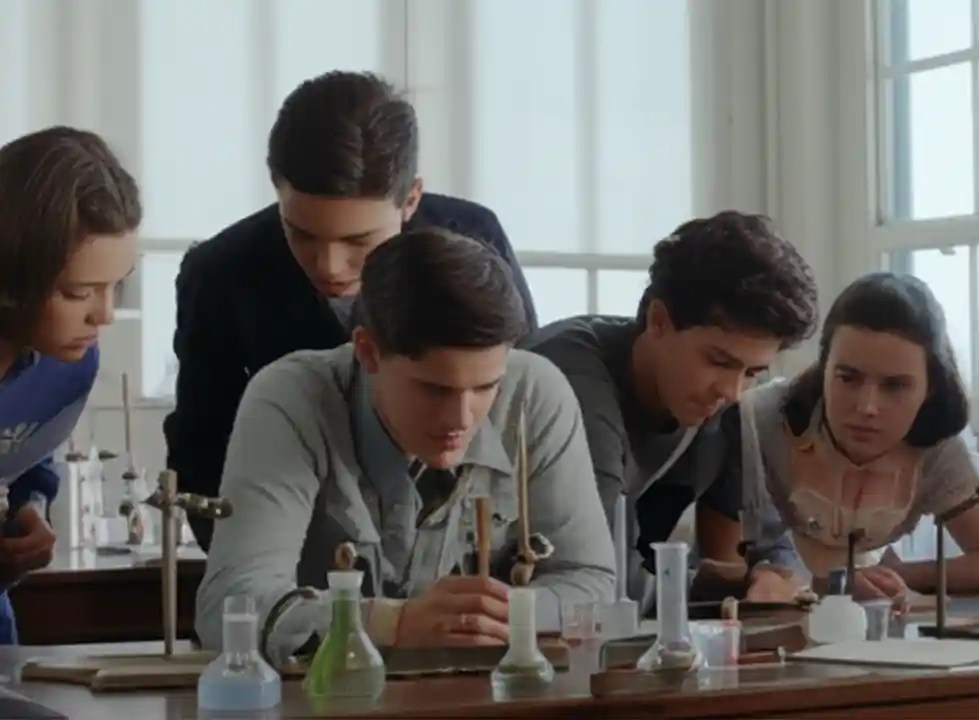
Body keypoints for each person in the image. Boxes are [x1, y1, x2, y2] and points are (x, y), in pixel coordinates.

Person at [165, 71, 537, 551]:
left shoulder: (472, 241)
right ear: (276, 187)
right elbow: (201, 444)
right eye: (300, 232)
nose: (329, 265)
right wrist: (250, 567)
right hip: (294, 539)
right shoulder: (219, 273)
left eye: (359, 241)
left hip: (461, 534)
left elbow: (517, 392)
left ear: (411, 200)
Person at [196, 229, 613, 658]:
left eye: (487, 387)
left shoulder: (534, 393)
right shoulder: (290, 398)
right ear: (368, 351)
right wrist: (392, 622)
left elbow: (592, 581)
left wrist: (503, 614)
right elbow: (231, 607)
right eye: (435, 389)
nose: (461, 419)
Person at [520, 211, 818, 607]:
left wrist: (775, 576)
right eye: (719, 361)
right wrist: (721, 585)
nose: (732, 390)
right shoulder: (570, 385)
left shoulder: (727, 399)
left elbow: (772, 543)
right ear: (659, 320)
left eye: (754, 371)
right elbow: (600, 581)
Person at [735, 273, 979, 599]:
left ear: (931, 387)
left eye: (895, 386)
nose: (867, 407)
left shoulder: (939, 444)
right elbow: (726, 564)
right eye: (848, 378)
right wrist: (836, 582)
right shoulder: (759, 420)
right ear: (824, 367)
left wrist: (893, 575)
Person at [0, 127, 141, 643]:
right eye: (79, 291)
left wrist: (28, 510)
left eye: (116, 286)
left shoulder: (70, 367)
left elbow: (28, 456)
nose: (103, 314)